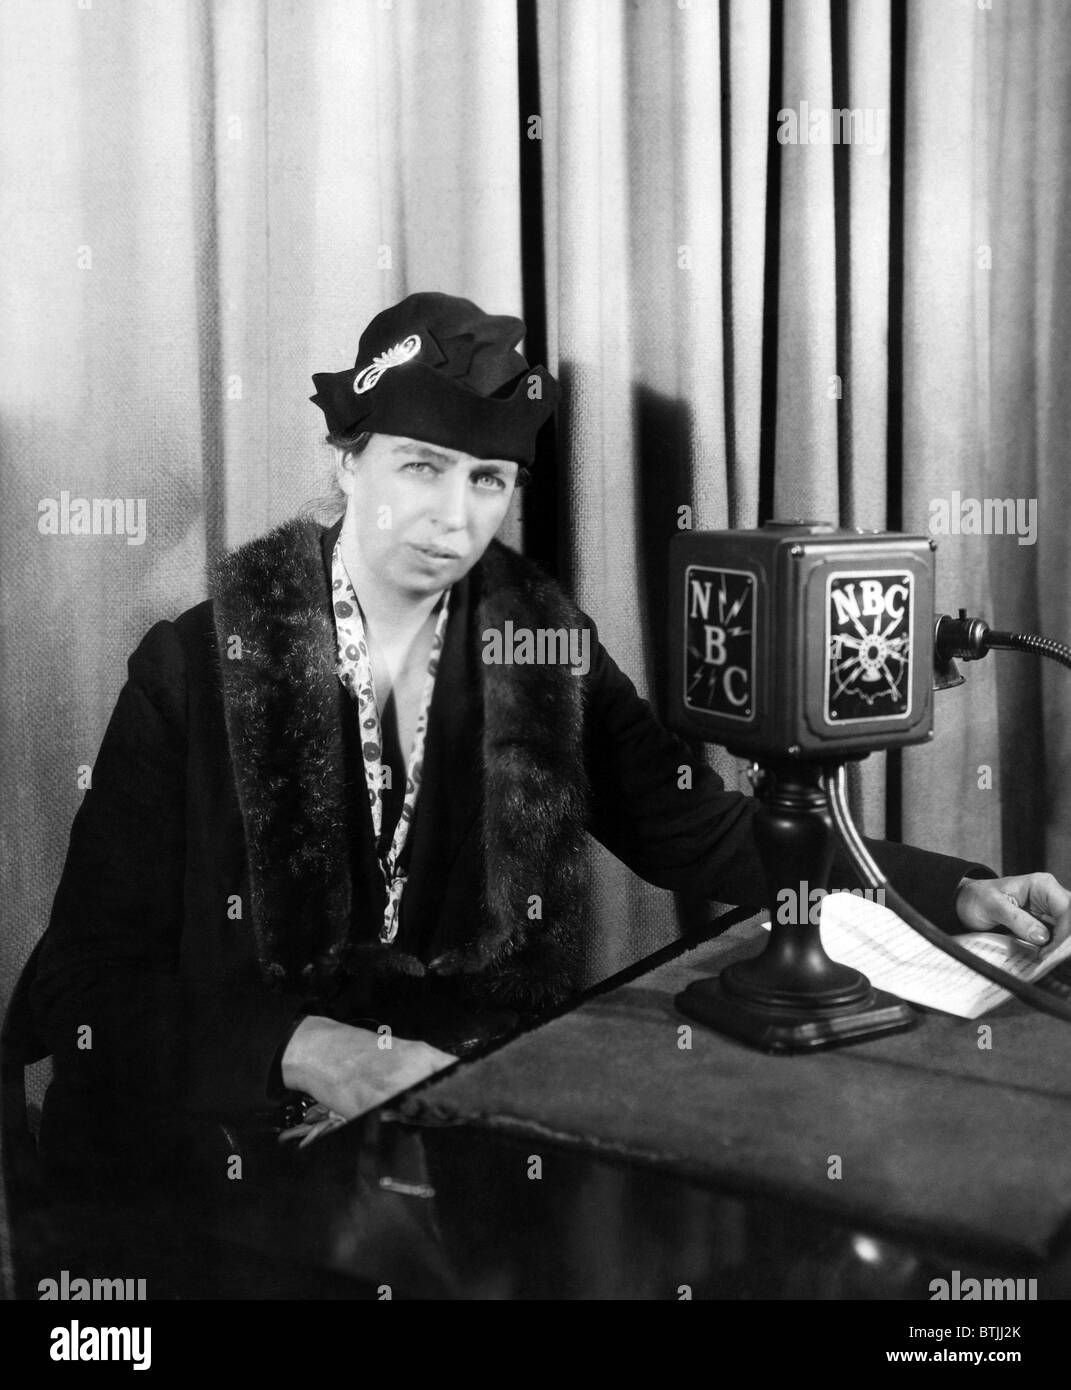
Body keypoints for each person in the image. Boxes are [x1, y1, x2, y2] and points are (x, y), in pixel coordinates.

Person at [30, 292, 1071, 1192]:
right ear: (347, 464)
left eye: (487, 479)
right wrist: (312, 1051)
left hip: (429, 1139)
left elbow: (696, 829)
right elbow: (80, 988)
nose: (452, 517)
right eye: (420, 468)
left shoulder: (540, 648)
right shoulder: (192, 671)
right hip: (199, 1161)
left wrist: (949, 890)